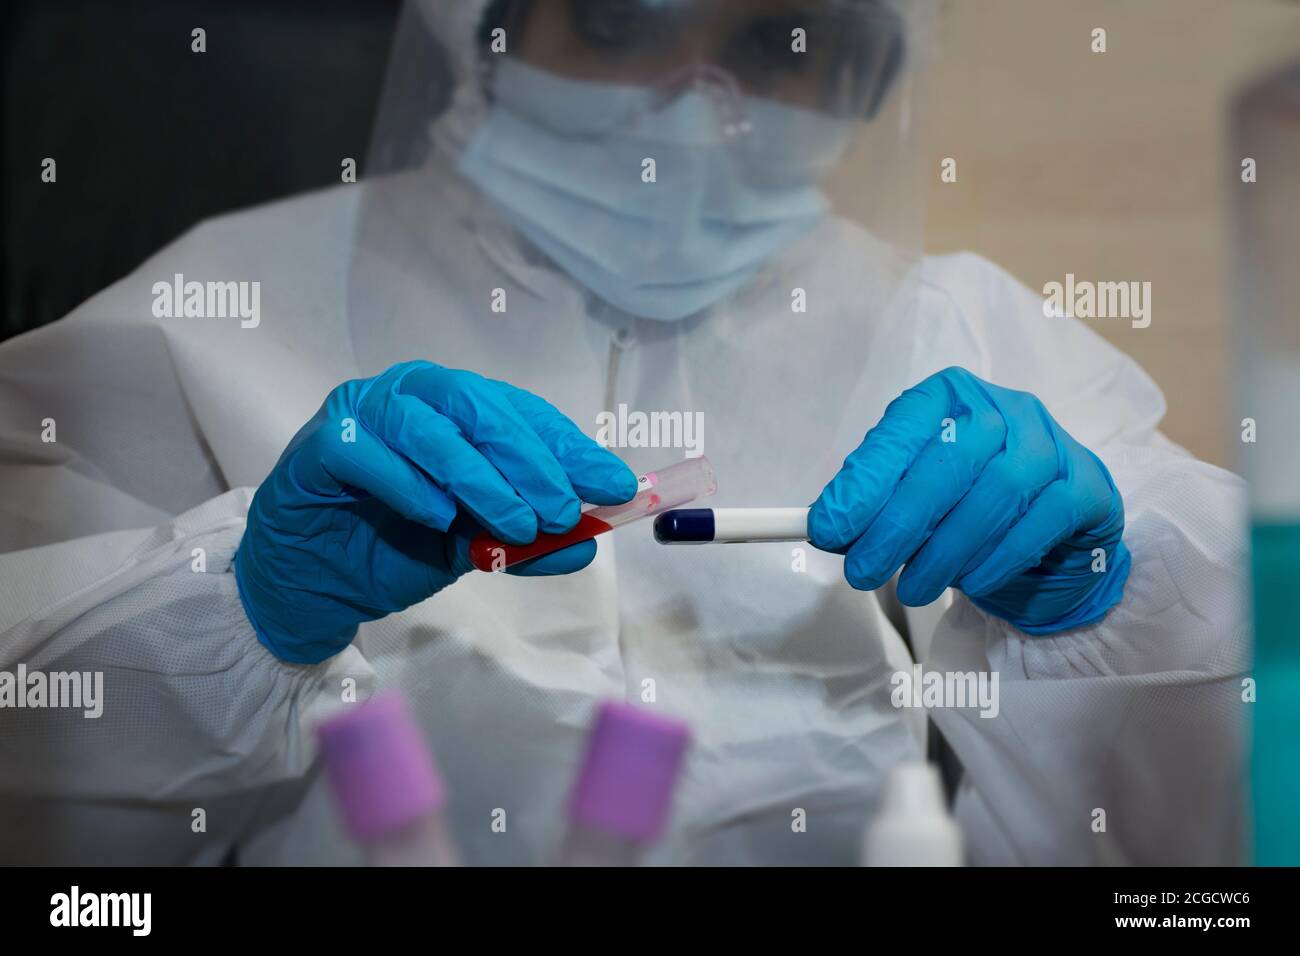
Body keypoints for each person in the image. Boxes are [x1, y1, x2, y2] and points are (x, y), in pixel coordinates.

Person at [0, 0, 1246, 865]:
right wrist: (230, 611)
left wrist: (1095, 608)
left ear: (867, 77)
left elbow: (1189, 861)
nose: (691, 94)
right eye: (616, 16)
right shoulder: (216, 303)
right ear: (491, 28)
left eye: (778, 38)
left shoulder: (953, 329)